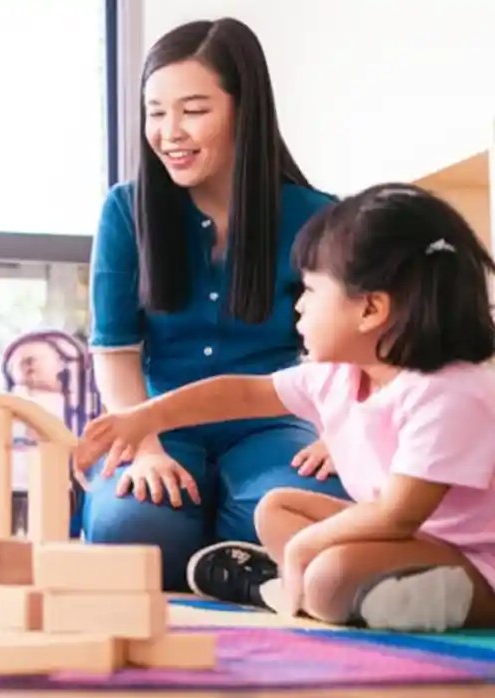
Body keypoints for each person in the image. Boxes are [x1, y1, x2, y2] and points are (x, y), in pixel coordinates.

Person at [75, 183, 495, 631]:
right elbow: (243, 393)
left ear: (371, 309)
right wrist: (145, 418)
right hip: (412, 541)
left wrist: (302, 548)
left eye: (310, 291)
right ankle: (311, 590)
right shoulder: (342, 374)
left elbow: (397, 514)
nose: (297, 306)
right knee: (276, 509)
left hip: (476, 559)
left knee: (331, 576)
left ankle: (293, 587)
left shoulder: (447, 393)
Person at [83, 17, 350, 592]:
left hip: (276, 427)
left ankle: (228, 548)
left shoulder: (318, 216)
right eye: (156, 112)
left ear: (243, 110)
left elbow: (347, 348)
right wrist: (145, 446)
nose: (170, 131)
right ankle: (225, 557)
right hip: (160, 420)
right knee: (129, 532)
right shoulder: (126, 211)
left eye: (194, 110)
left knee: (306, 514)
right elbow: (115, 348)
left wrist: (341, 433)